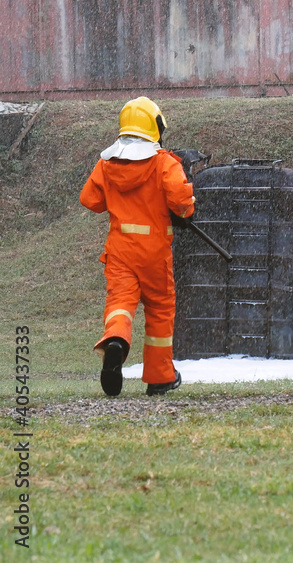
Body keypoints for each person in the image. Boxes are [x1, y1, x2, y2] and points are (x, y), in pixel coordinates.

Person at [80, 96, 195, 397]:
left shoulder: (106, 163)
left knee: (120, 302)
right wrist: (181, 208)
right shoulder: (164, 164)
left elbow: (90, 200)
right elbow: (183, 206)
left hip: (120, 251)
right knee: (159, 309)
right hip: (154, 252)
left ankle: (116, 340)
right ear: (155, 127)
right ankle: (159, 378)